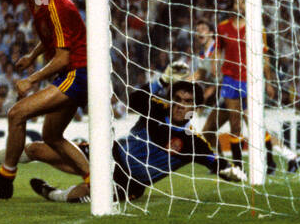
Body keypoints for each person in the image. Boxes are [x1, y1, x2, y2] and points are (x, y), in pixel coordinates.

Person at [0, 0, 90, 200]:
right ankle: (94, 180)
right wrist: (32, 54)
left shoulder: (55, 3)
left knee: (17, 113)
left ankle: (5, 181)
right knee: (51, 136)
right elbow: (51, 36)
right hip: (74, 72)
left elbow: (63, 57)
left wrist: (31, 79)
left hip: (78, 72)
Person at [23, 81, 246, 205]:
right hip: (110, 153)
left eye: (187, 102)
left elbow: (215, 162)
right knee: (36, 149)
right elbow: (136, 97)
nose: (180, 105)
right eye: (176, 99)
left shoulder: (193, 143)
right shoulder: (158, 109)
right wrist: (160, 81)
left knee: (84, 196)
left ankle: (51, 193)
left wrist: (231, 171)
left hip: (131, 182)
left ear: (196, 108)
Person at [201, 0, 300, 174]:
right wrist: (214, 64)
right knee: (212, 127)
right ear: (231, 6)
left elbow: (265, 56)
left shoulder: (256, 28)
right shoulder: (222, 28)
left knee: (247, 124)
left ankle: (255, 164)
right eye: (236, 2)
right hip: (229, 81)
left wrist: (269, 83)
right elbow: (217, 49)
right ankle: (224, 164)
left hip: (249, 81)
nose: (239, 6)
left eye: (242, 3)